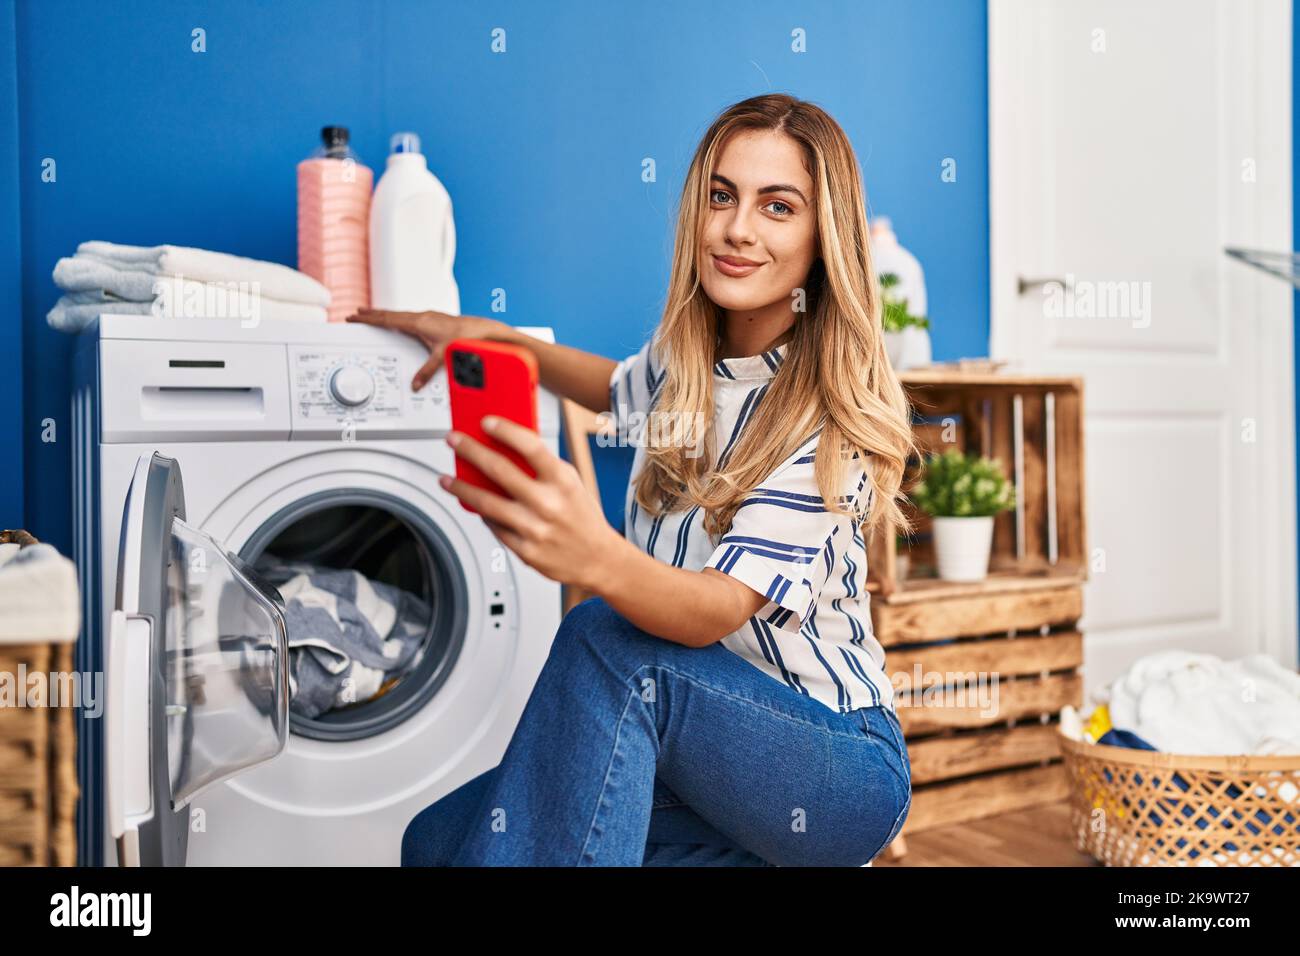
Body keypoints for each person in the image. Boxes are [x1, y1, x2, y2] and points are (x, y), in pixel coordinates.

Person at [349, 92, 916, 867]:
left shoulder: (826, 418)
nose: (737, 229)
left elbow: (715, 612)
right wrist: (496, 339)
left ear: (825, 239)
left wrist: (596, 559)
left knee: (613, 641)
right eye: (722, 196)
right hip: (697, 751)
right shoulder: (685, 361)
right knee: (438, 842)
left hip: (832, 766)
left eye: (777, 207)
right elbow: (614, 387)